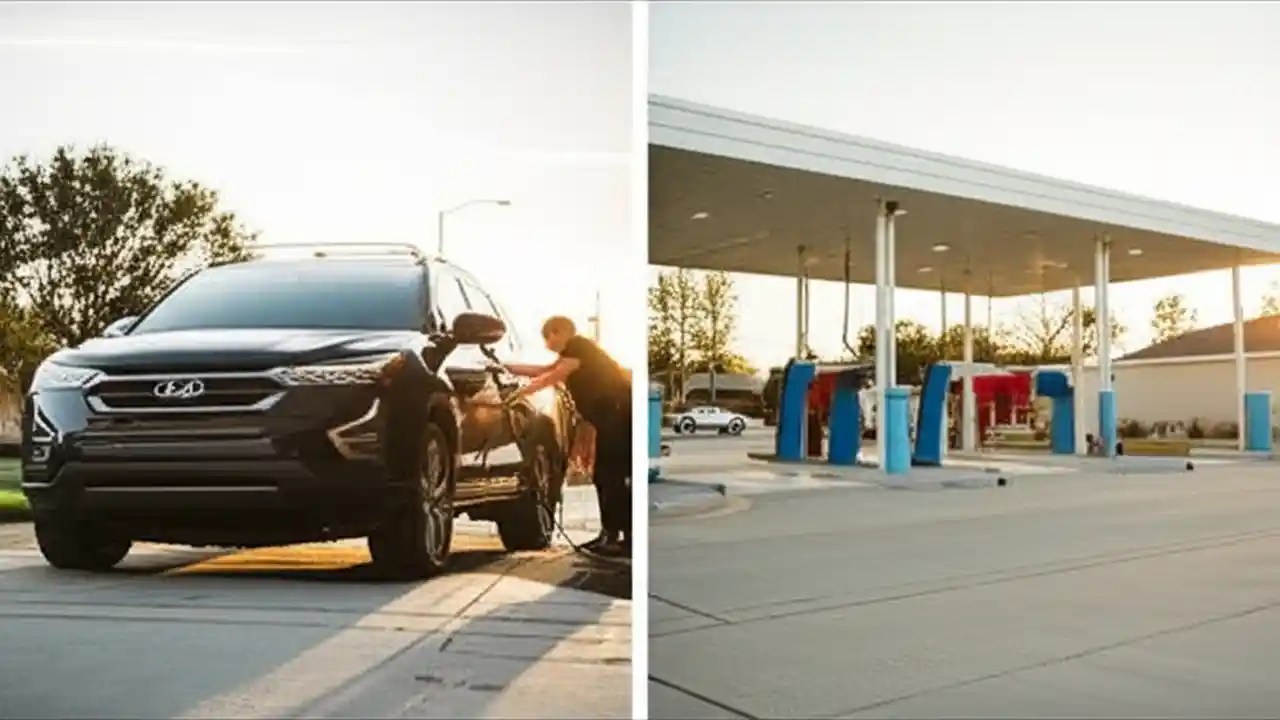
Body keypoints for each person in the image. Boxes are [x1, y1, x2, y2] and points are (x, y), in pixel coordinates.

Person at [501, 316, 631, 556]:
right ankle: (611, 534)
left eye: (547, 337)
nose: (546, 344)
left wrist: (519, 393)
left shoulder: (578, 346)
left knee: (611, 475)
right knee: (606, 475)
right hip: (610, 418)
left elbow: (553, 376)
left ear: (558, 332)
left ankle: (622, 537)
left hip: (618, 416)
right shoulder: (576, 352)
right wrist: (506, 368)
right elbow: (543, 370)